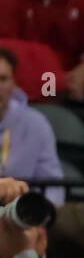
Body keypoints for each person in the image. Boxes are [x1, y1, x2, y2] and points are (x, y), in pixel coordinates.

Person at [0, 48, 64, 204]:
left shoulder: (36, 124)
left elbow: (52, 186)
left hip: (22, 214)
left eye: (2, 79)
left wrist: (41, 219)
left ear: (14, 84)